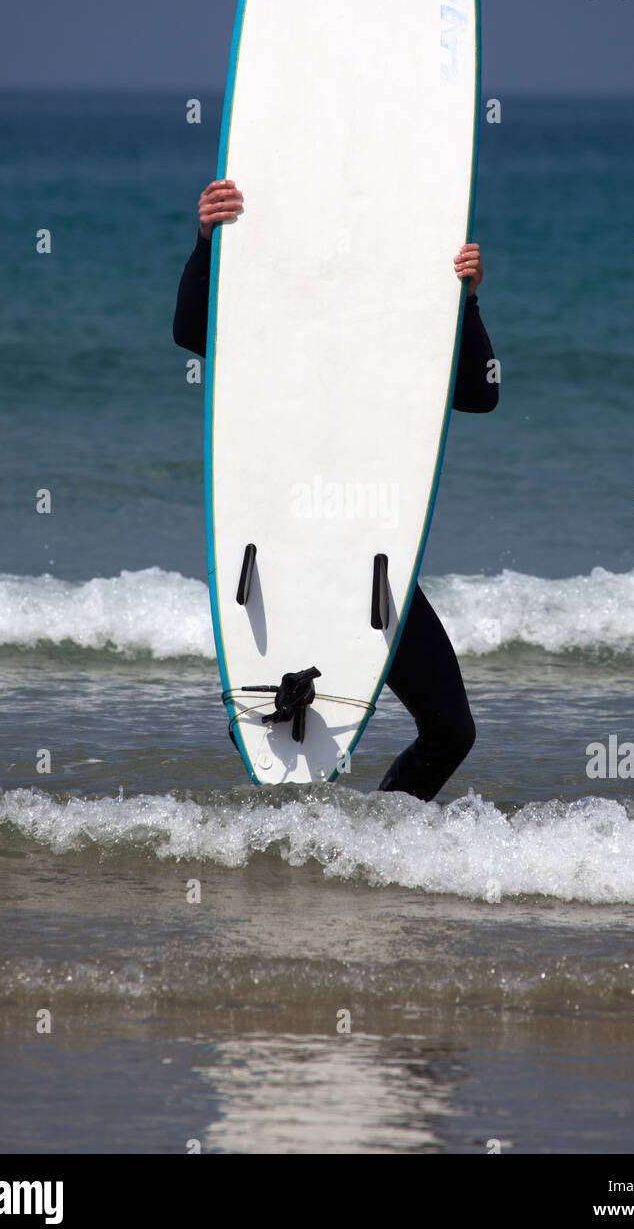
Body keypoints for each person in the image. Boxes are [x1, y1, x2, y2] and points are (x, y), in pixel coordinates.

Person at [174, 179, 499, 801]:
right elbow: (191, 331)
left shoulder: (405, 339)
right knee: (287, 743)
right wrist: (207, 242)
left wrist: (465, 303)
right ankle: (284, 859)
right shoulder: (273, 330)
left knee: (452, 731)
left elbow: (481, 394)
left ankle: (372, 835)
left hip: (372, 560)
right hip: (283, 553)